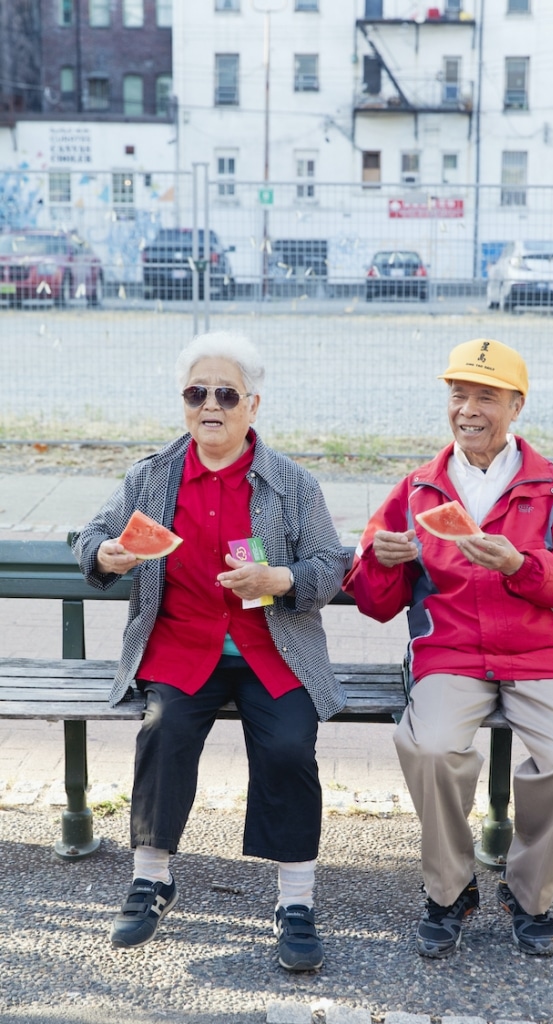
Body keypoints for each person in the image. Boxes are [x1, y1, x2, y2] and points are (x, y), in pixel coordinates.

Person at [72, 330, 350, 972]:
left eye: (226, 393)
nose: (211, 405)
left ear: (253, 404)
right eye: (197, 393)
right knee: (163, 730)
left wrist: (281, 581)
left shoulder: (291, 482)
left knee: (286, 746)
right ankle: (151, 878)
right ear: (184, 402)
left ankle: (295, 901)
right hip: (181, 644)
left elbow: (331, 566)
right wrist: (105, 554)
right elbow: (91, 534)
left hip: (272, 646)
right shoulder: (152, 476)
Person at [344, 337, 553, 959]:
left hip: (539, 654)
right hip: (452, 652)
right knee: (427, 745)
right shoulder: (418, 490)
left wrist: (524, 564)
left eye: (485, 396)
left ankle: (528, 891)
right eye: (457, 394)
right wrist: (380, 563)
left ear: (516, 406)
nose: (467, 408)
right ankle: (451, 889)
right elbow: (376, 603)